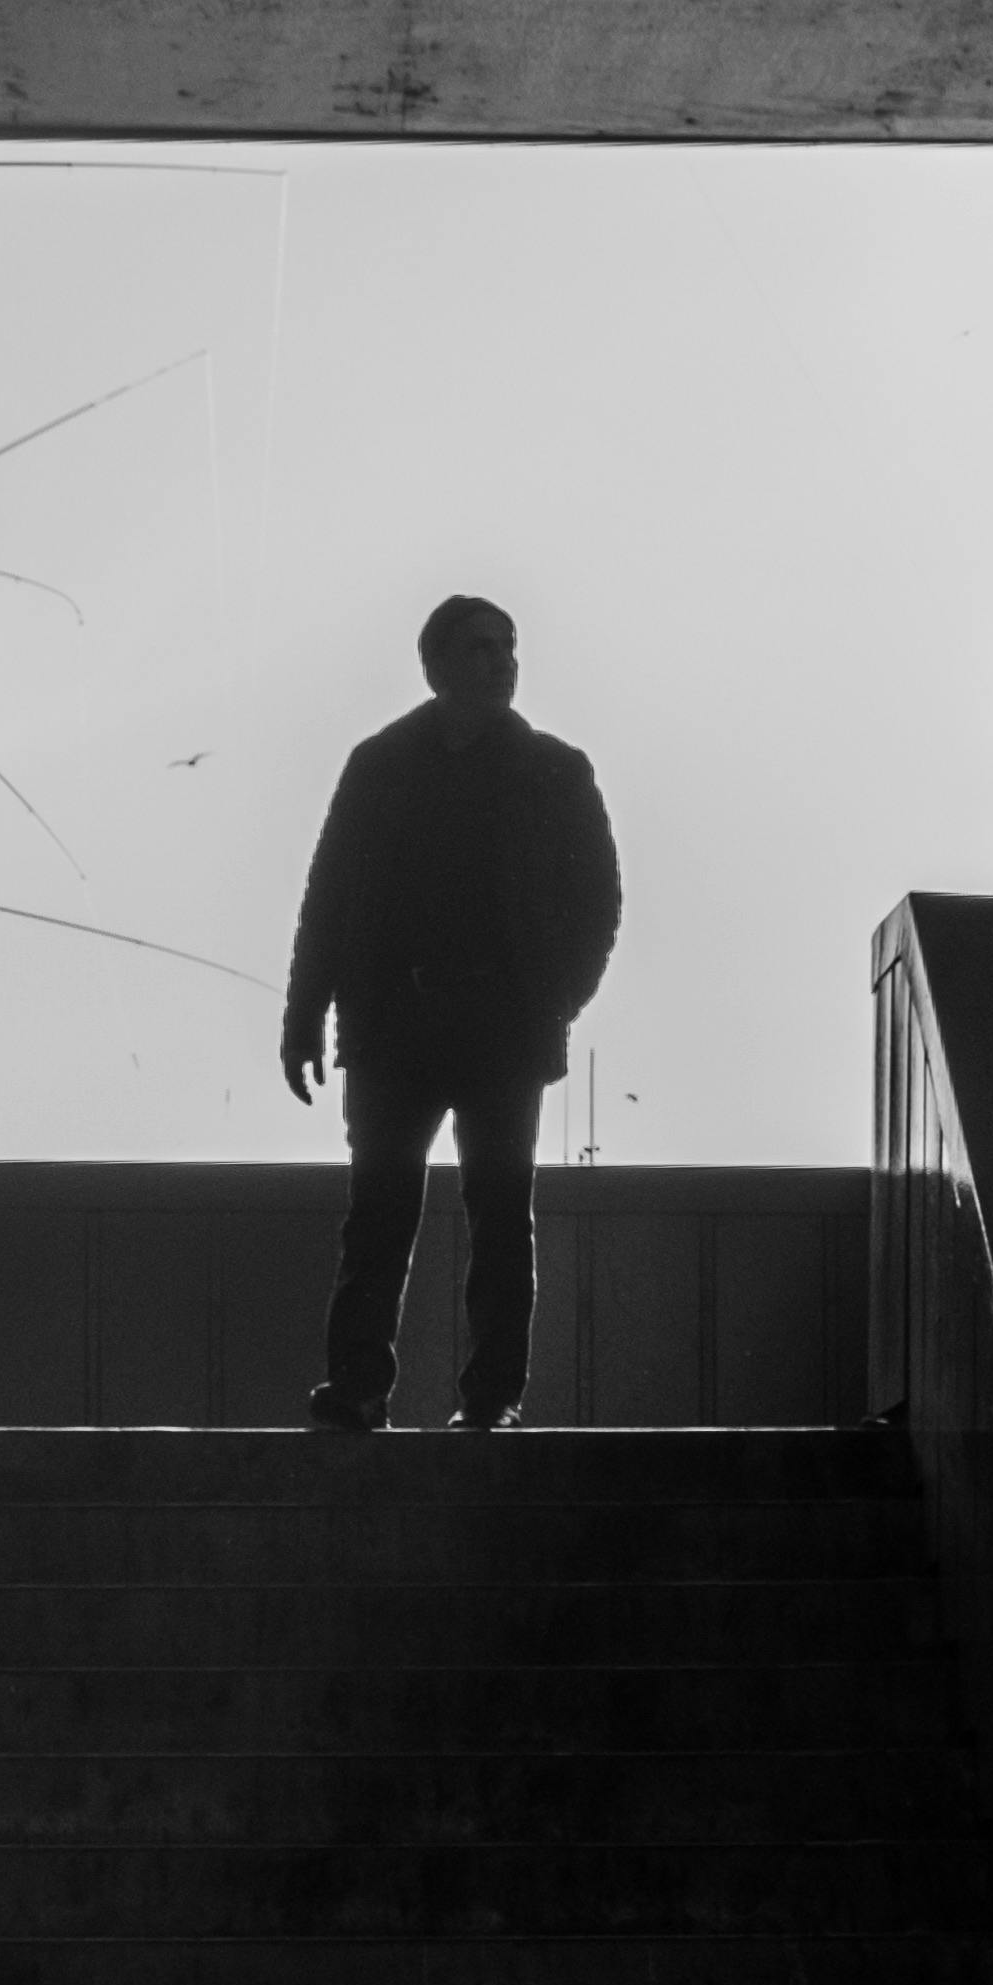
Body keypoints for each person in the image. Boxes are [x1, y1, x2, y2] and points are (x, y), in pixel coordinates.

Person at [280, 594, 622, 1438]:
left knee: (501, 1221)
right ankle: (359, 1390)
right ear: (434, 664)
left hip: (501, 1030)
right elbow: (328, 897)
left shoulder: (554, 769)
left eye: (508, 646)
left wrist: (552, 999)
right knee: (379, 1216)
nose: (501, 661)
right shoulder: (378, 766)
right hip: (396, 1025)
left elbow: (597, 903)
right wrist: (303, 1015)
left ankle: (490, 1399)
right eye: (480, 648)